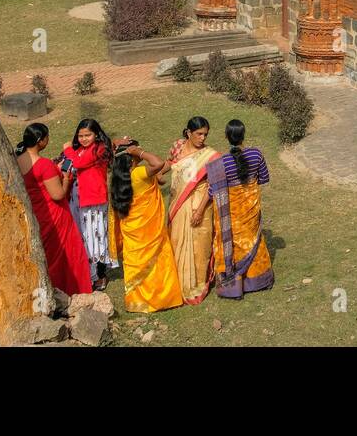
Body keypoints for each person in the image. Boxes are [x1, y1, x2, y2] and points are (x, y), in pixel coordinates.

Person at [15, 122, 92, 297]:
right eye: (47, 137)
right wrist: (65, 177)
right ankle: (72, 291)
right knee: (68, 255)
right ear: (41, 141)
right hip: (54, 215)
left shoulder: (18, 162)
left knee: (47, 256)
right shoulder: (44, 164)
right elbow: (58, 195)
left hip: (34, 214)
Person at [110, 140, 184, 313]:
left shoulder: (117, 179)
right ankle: (161, 299)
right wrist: (139, 152)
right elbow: (157, 163)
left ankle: (137, 301)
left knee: (136, 263)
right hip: (149, 231)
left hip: (132, 230)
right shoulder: (139, 173)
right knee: (157, 261)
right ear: (131, 158)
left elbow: (161, 169)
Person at [206, 119, 274, 299]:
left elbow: (212, 192)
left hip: (231, 215)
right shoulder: (256, 155)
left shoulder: (221, 163)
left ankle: (233, 288)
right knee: (253, 242)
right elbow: (264, 179)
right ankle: (258, 281)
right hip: (251, 210)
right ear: (244, 136)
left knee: (232, 245)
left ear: (226, 137)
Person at [167, 117, 221, 305]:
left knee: (199, 245)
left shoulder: (211, 156)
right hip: (178, 204)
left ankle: (196, 286)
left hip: (201, 205)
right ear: (188, 133)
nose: (202, 138)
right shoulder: (178, 147)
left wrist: (199, 211)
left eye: (205, 134)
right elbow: (170, 164)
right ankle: (178, 285)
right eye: (198, 134)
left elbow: (213, 184)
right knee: (176, 241)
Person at [62, 118, 115, 291]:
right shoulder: (80, 150)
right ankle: (88, 274)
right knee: (84, 237)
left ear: (96, 134)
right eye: (81, 135)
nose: (84, 138)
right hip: (78, 199)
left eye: (88, 135)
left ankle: (98, 276)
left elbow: (77, 163)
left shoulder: (99, 149)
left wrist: (67, 149)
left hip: (93, 200)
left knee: (95, 238)